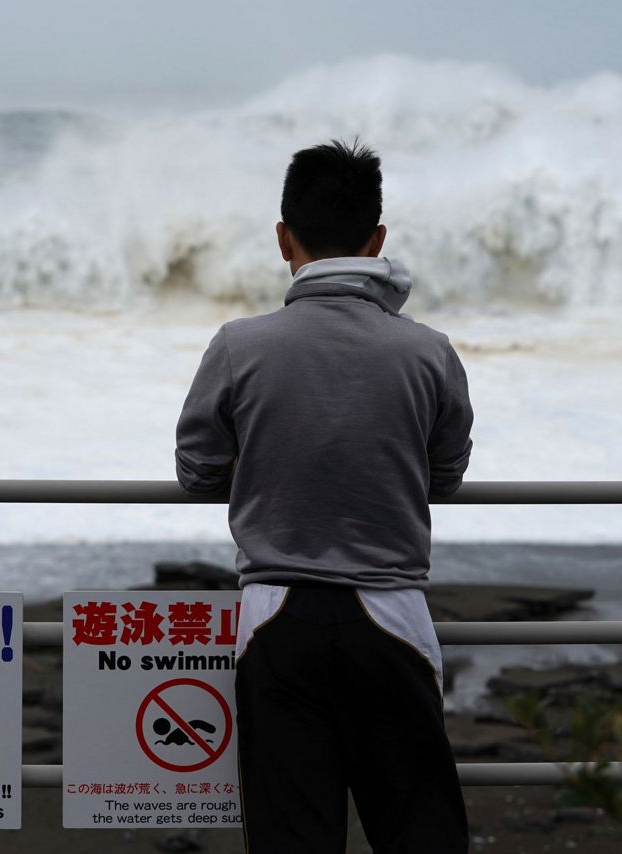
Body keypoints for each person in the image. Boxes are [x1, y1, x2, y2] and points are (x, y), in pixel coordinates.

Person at [175, 138, 474, 853]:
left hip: (274, 614)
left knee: (291, 837)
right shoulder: (428, 351)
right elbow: (447, 474)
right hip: (393, 611)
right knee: (420, 835)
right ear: (377, 240)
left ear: (285, 239)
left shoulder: (239, 345)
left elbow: (196, 470)